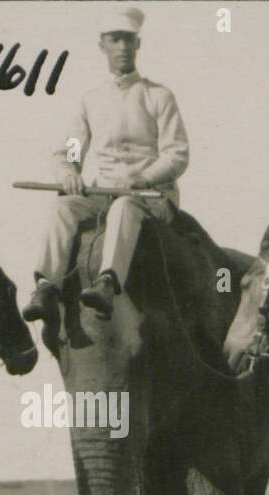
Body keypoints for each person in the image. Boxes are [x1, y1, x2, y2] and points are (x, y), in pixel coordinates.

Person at [26, 5, 190, 319]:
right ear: (102, 46)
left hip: (151, 197)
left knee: (124, 208)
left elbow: (177, 154)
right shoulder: (91, 100)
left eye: (129, 39)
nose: (123, 47)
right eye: (115, 39)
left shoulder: (159, 96)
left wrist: (141, 178)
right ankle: (46, 285)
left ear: (138, 44)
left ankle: (106, 282)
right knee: (62, 207)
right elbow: (67, 152)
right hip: (102, 194)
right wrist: (69, 173)